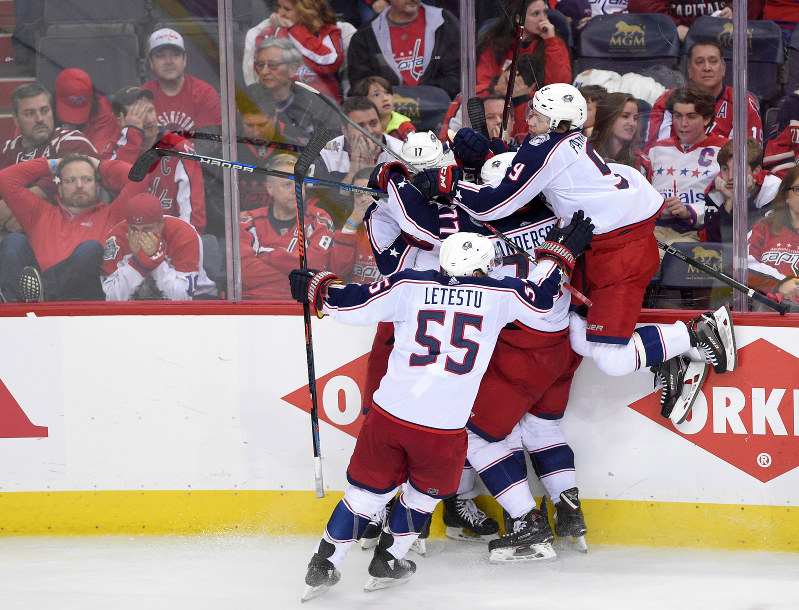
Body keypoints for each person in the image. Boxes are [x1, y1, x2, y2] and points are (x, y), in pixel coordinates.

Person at [292, 225, 591, 601]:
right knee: (421, 497)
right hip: (442, 430)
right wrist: (557, 254)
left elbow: (347, 303)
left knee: (364, 495)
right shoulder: (500, 294)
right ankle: (389, 559)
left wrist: (318, 286)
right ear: (483, 268)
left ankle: (323, 563)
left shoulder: (406, 285)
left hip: (387, 417)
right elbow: (543, 296)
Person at [425, 83, 739, 424]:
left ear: (558, 123)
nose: (529, 118)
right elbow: (524, 170)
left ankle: (695, 332)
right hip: (608, 245)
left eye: (538, 115)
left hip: (621, 254)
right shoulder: (562, 140)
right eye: (531, 111)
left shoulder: (545, 150)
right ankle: (673, 351)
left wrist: (449, 183)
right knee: (575, 332)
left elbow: (494, 206)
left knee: (611, 359)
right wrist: (493, 152)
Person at [366, 149, 591, 559]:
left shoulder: (473, 231)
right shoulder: (554, 212)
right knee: (537, 429)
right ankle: (568, 510)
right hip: (561, 339)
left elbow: (420, 225)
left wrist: (398, 183)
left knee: (469, 432)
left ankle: (526, 522)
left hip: (520, 345)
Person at [0, 154, 146, 302]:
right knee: (14, 240)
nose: (79, 186)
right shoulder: (39, 213)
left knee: (91, 248)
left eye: (87, 179)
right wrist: (54, 164)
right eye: (71, 180)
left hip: (82, 300)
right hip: (29, 302)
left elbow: (140, 178)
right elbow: (6, 179)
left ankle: (43, 293)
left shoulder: (113, 216)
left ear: (97, 187)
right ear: (60, 189)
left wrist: (99, 165)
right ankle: (10, 303)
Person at [238, 154, 355, 300]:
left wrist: (269, 255)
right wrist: (298, 273)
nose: (296, 190)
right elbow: (245, 273)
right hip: (254, 305)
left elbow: (316, 268)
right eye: (287, 185)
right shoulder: (249, 221)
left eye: (300, 183)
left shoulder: (319, 219)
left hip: (303, 303)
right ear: (270, 188)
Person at [101, 85, 207, 235]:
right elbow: (114, 184)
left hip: (170, 237)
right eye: (139, 115)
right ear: (121, 120)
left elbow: (192, 213)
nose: (150, 119)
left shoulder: (179, 147)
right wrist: (132, 135)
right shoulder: (112, 150)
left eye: (150, 110)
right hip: (125, 238)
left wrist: (183, 241)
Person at [0, 83, 98, 239]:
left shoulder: (72, 140)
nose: (39, 119)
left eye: (44, 111)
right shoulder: (5, 151)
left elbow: (67, 179)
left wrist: (13, 204)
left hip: (67, 236)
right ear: (16, 119)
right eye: (30, 113)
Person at [476, 0, 572, 143]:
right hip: (497, 109)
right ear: (518, 18)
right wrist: (495, 89)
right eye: (535, 14)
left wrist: (525, 95)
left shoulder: (553, 43)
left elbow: (559, 87)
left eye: (545, 13)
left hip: (535, 113)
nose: (543, 19)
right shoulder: (496, 44)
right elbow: (480, 83)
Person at [647, 83, 728, 248]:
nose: (683, 123)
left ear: (706, 118)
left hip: (697, 232)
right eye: (677, 116)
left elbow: (729, 203)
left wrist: (689, 211)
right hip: (655, 228)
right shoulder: (657, 149)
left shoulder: (725, 150)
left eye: (691, 117)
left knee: (659, 260)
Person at [644, 41, 762, 150]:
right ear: (689, 70)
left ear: (723, 68)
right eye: (700, 62)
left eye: (713, 61)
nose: (707, 68)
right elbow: (655, 152)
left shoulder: (741, 102)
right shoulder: (668, 99)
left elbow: (750, 156)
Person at [100, 193, 216, 301]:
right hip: (137, 305)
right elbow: (112, 298)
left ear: (161, 224)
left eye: (147, 229)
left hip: (197, 299)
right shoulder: (116, 238)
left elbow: (182, 298)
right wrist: (137, 262)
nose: (140, 237)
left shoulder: (184, 234)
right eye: (133, 229)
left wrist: (155, 259)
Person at [312, 96, 404, 227]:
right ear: (345, 131)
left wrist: (370, 172)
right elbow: (331, 209)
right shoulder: (327, 155)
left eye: (373, 123)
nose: (370, 131)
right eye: (360, 126)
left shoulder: (400, 152)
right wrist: (354, 171)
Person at [346, 0, 462, 100]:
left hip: (439, 112)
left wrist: (428, 96)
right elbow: (361, 85)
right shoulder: (365, 35)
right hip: (386, 118)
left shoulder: (444, 22)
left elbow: (458, 74)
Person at [243, 0, 345, 100]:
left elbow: (330, 62)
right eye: (279, 7)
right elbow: (263, 73)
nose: (280, 13)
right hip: (283, 106)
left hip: (325, 105)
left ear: (306, 12)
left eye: (287, 9)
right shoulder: (269, 33)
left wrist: (295, 30)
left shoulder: (328, 31)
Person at [251, 37, 341, 142]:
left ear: (293, 69)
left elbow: (336, 149)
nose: (265, 71)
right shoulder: (244, 101)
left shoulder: (322, 106)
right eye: (260, 65)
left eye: (273, 65)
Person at [142, 28, 222, 133]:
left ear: (184, 59)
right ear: (151, 63)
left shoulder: (205, 93)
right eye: (161, 56)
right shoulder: (141, 97)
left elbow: (209, 143)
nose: (168, 61)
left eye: (175, 55)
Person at [703, 138, 780, 243]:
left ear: (756, 171)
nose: (730, 177)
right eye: (725, 169)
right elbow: (713, 241)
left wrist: (745, 197)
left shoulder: (772, 187)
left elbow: (762, 238)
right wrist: (729, 203)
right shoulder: (716, 191)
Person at [747, 166, 799, 312]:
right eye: (798, 189)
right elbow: (740, 264)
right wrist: (779, 283)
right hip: (765, 311)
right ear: (786, 196)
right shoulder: (764, 227)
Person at [627, 0, 762, 42]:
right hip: (675, 40)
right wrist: (672, 25)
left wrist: (735, 8)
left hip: (722, 36)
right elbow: (641, 3)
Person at [53, 69, 120, 153]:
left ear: (91, 99)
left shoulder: (105, 115)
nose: (74, 122)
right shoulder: (44, 110)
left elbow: (95, 157)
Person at [589, 92, 649, 178]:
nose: (633, 123)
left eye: (635, 118)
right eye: (625, 116)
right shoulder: (585, 153)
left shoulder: (642, 162)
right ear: (608, 117)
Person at [350, 76, 416, 140]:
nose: (385, 99)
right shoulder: (358, 127)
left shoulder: (405, 128)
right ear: (364, 101)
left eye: (387, 93)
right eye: (377, 95)